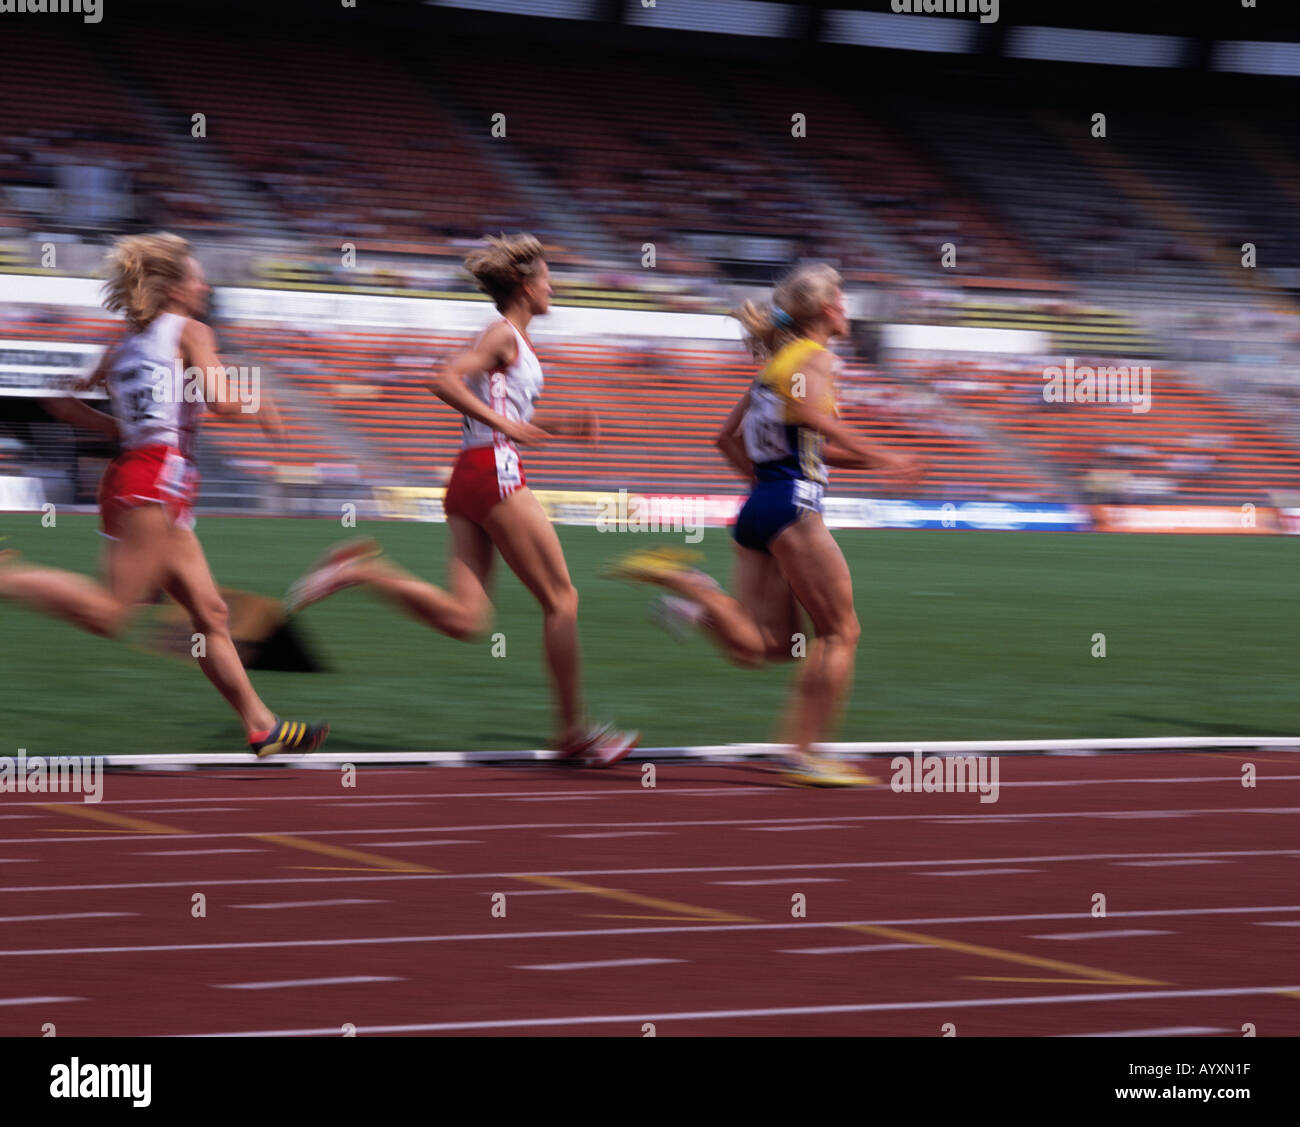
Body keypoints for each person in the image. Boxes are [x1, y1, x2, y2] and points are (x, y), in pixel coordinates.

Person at [287, 233, 634, 766]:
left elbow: (500, 406)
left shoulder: (511, 340)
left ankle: (359, 573)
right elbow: (441, 377)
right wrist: (506, 428)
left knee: (467, 621)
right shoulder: (503, 335)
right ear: (525, 285)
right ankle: (573, 732)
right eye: (545, 277)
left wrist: (558, 423)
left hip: (470, 475)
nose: (552, 287)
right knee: (562, 601)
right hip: (494, 472)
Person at [0, 232, 328, 757]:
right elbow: (220, 402)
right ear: (174, 287)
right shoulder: (191, 331)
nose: (203, 285)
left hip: (136, 475)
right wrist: (260, 404)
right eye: (196, 276)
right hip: (155, 480)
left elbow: (66, 404)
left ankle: (261, 726)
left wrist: (108, 423)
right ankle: (8, 578)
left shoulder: (122, 344)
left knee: (211, 614)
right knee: (112, 612)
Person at [604, 263, 917, 786]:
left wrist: (781, 481)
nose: (846, 308)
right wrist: (887, 457)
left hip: (761, 507)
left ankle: (688, 587)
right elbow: (813, 419)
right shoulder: (813, 357)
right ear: (823, 310)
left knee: (764, 647)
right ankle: (803, 752)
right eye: (840, 298)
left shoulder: (772, 368)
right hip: (793, 509)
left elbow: (731, 439)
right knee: (840, 633)